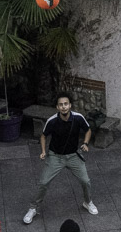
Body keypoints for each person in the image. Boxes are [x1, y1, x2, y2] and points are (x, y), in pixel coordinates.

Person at [23, 94, 97, 224]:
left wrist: (85, 143)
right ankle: (33, 209)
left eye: (66, 104)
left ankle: (88, 202)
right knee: (44, 183)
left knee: (86, 181)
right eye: (61, 105)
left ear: (70, 105)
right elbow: (43, 136)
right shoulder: (52, 121)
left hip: (74, 155)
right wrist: (43, 151)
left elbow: (88, 130)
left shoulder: (78, 118)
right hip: (55, 156)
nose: (64, 107)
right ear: (57, 107)